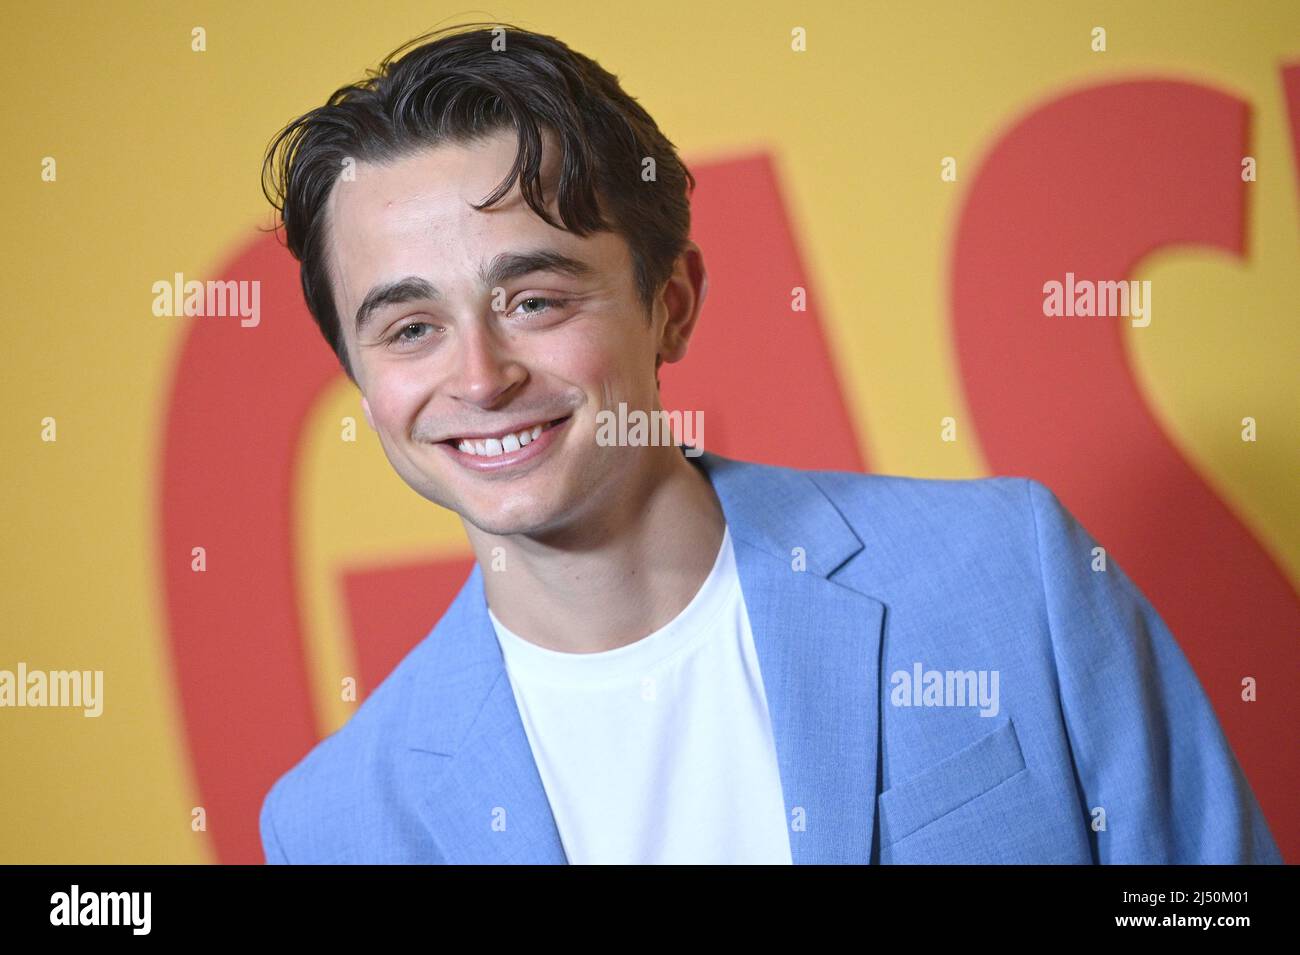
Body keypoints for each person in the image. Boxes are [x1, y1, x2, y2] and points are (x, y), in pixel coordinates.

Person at [256, 22, 1282, 864]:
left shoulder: (1015, 571)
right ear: (359, 371)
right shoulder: (335, 825)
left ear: (671, 305)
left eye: (533, 298)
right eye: (410, 328)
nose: (479, 377)